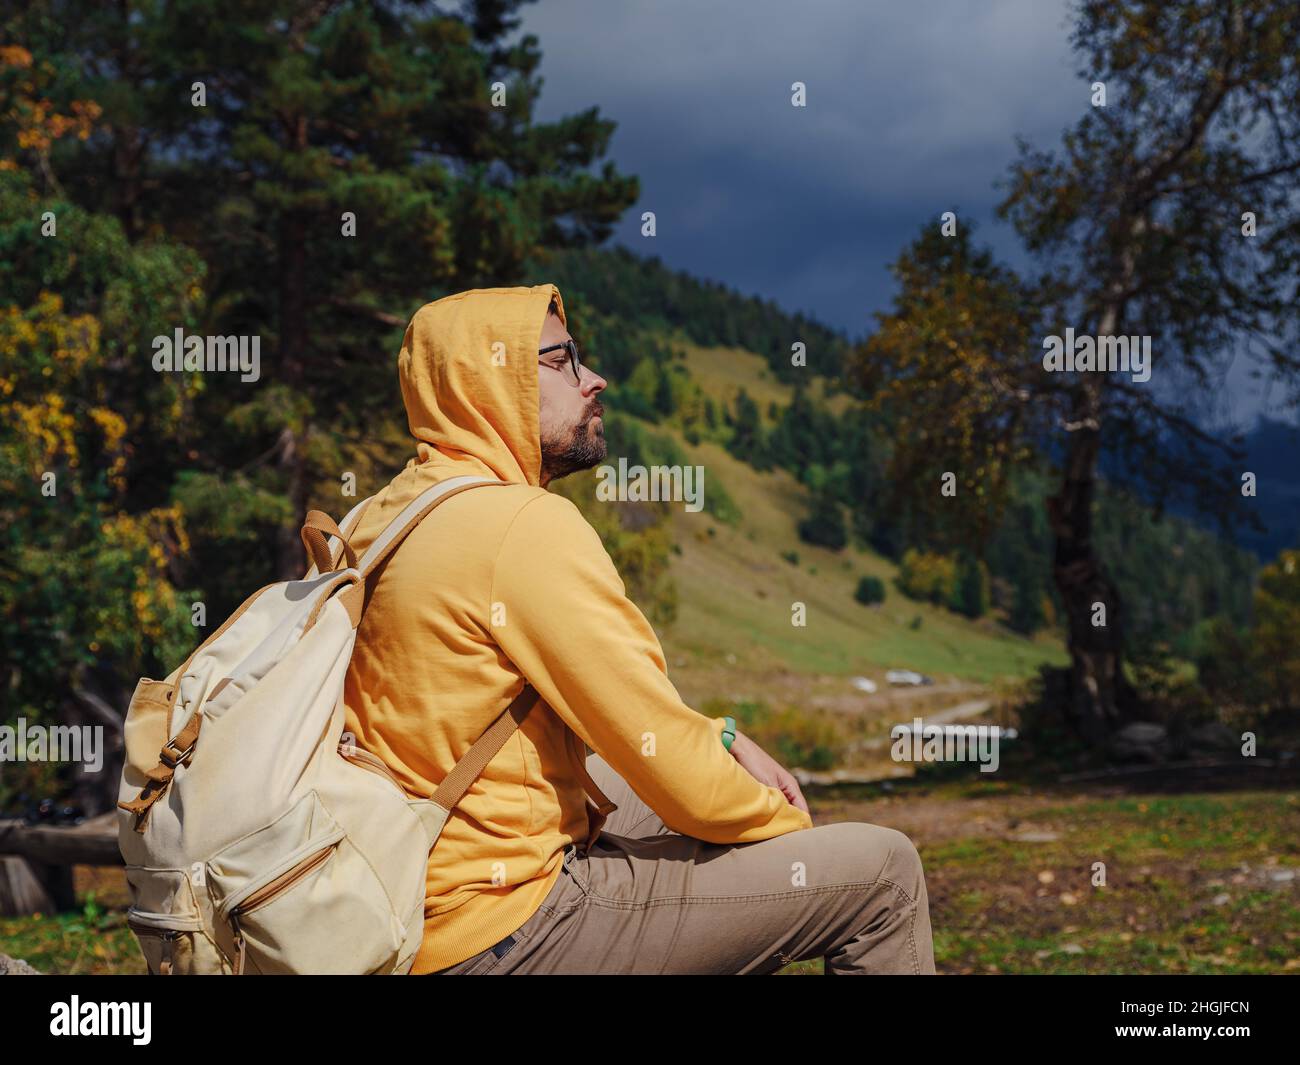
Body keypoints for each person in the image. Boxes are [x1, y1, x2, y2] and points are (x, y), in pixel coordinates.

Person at [340, 284, 936, 974]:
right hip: (499, 931)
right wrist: (786, 825)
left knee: (644, 802)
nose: (595, 380)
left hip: (396, 889)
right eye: (562, 361)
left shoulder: (379, 518)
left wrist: (724, 737)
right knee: (884, 873)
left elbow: (631, 731)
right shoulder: (520, 527)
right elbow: (680, 777)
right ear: (492, 379)